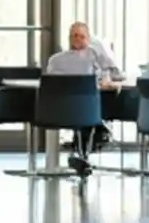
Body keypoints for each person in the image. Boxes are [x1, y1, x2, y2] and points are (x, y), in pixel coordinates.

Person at [46, 22, 124, 154]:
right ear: (69, 38)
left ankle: (83, 148)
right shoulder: (56, 60)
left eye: (81, 36)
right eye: (74, 35)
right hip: (68, 107)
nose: (77, 39)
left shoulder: (95, 57)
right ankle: (84, 147)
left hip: (78, 107)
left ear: (88, 39)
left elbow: (113, 74)